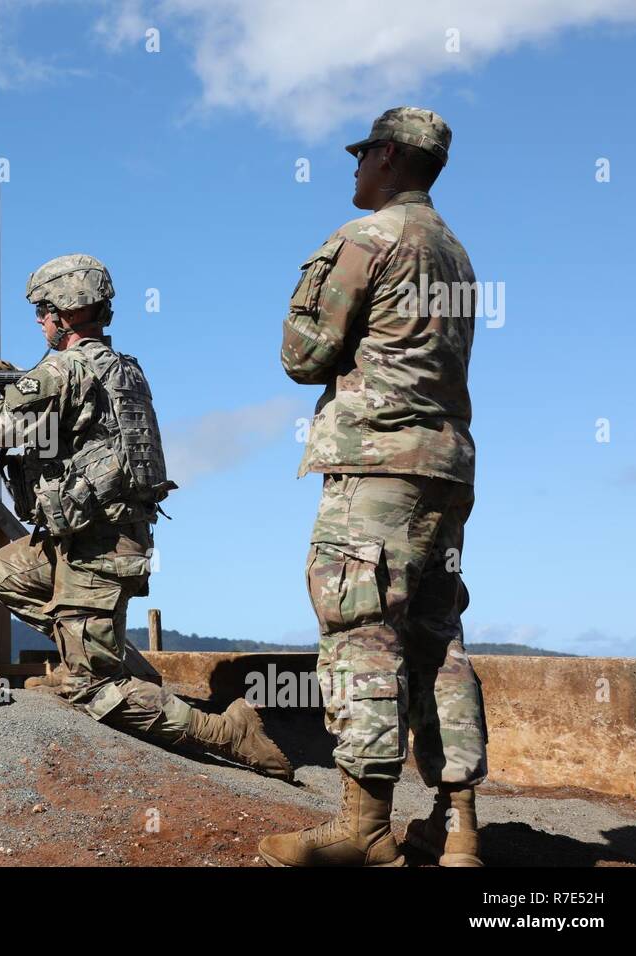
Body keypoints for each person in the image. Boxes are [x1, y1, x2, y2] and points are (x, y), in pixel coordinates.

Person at [0, 254, 292, 781]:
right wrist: (9, 376)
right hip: (89, 538)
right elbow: (64, 413)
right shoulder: (118, 366)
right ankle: (85, 656)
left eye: (42, 311)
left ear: (64, 312)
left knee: (92, 691)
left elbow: (4, 426)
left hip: (98, 548)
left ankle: (226, 733)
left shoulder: (65, 369)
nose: (39, 321)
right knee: (2, 573)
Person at [258, 108, 488, 867]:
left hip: (377, 467)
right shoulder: (455, 254)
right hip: (444, 468)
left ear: (387, 155)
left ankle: (361, 828)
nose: (354, 170)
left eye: (361, 156)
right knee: (437, 639)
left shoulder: (368, 238)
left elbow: (303, 355)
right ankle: (459, 831)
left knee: (362, 631)